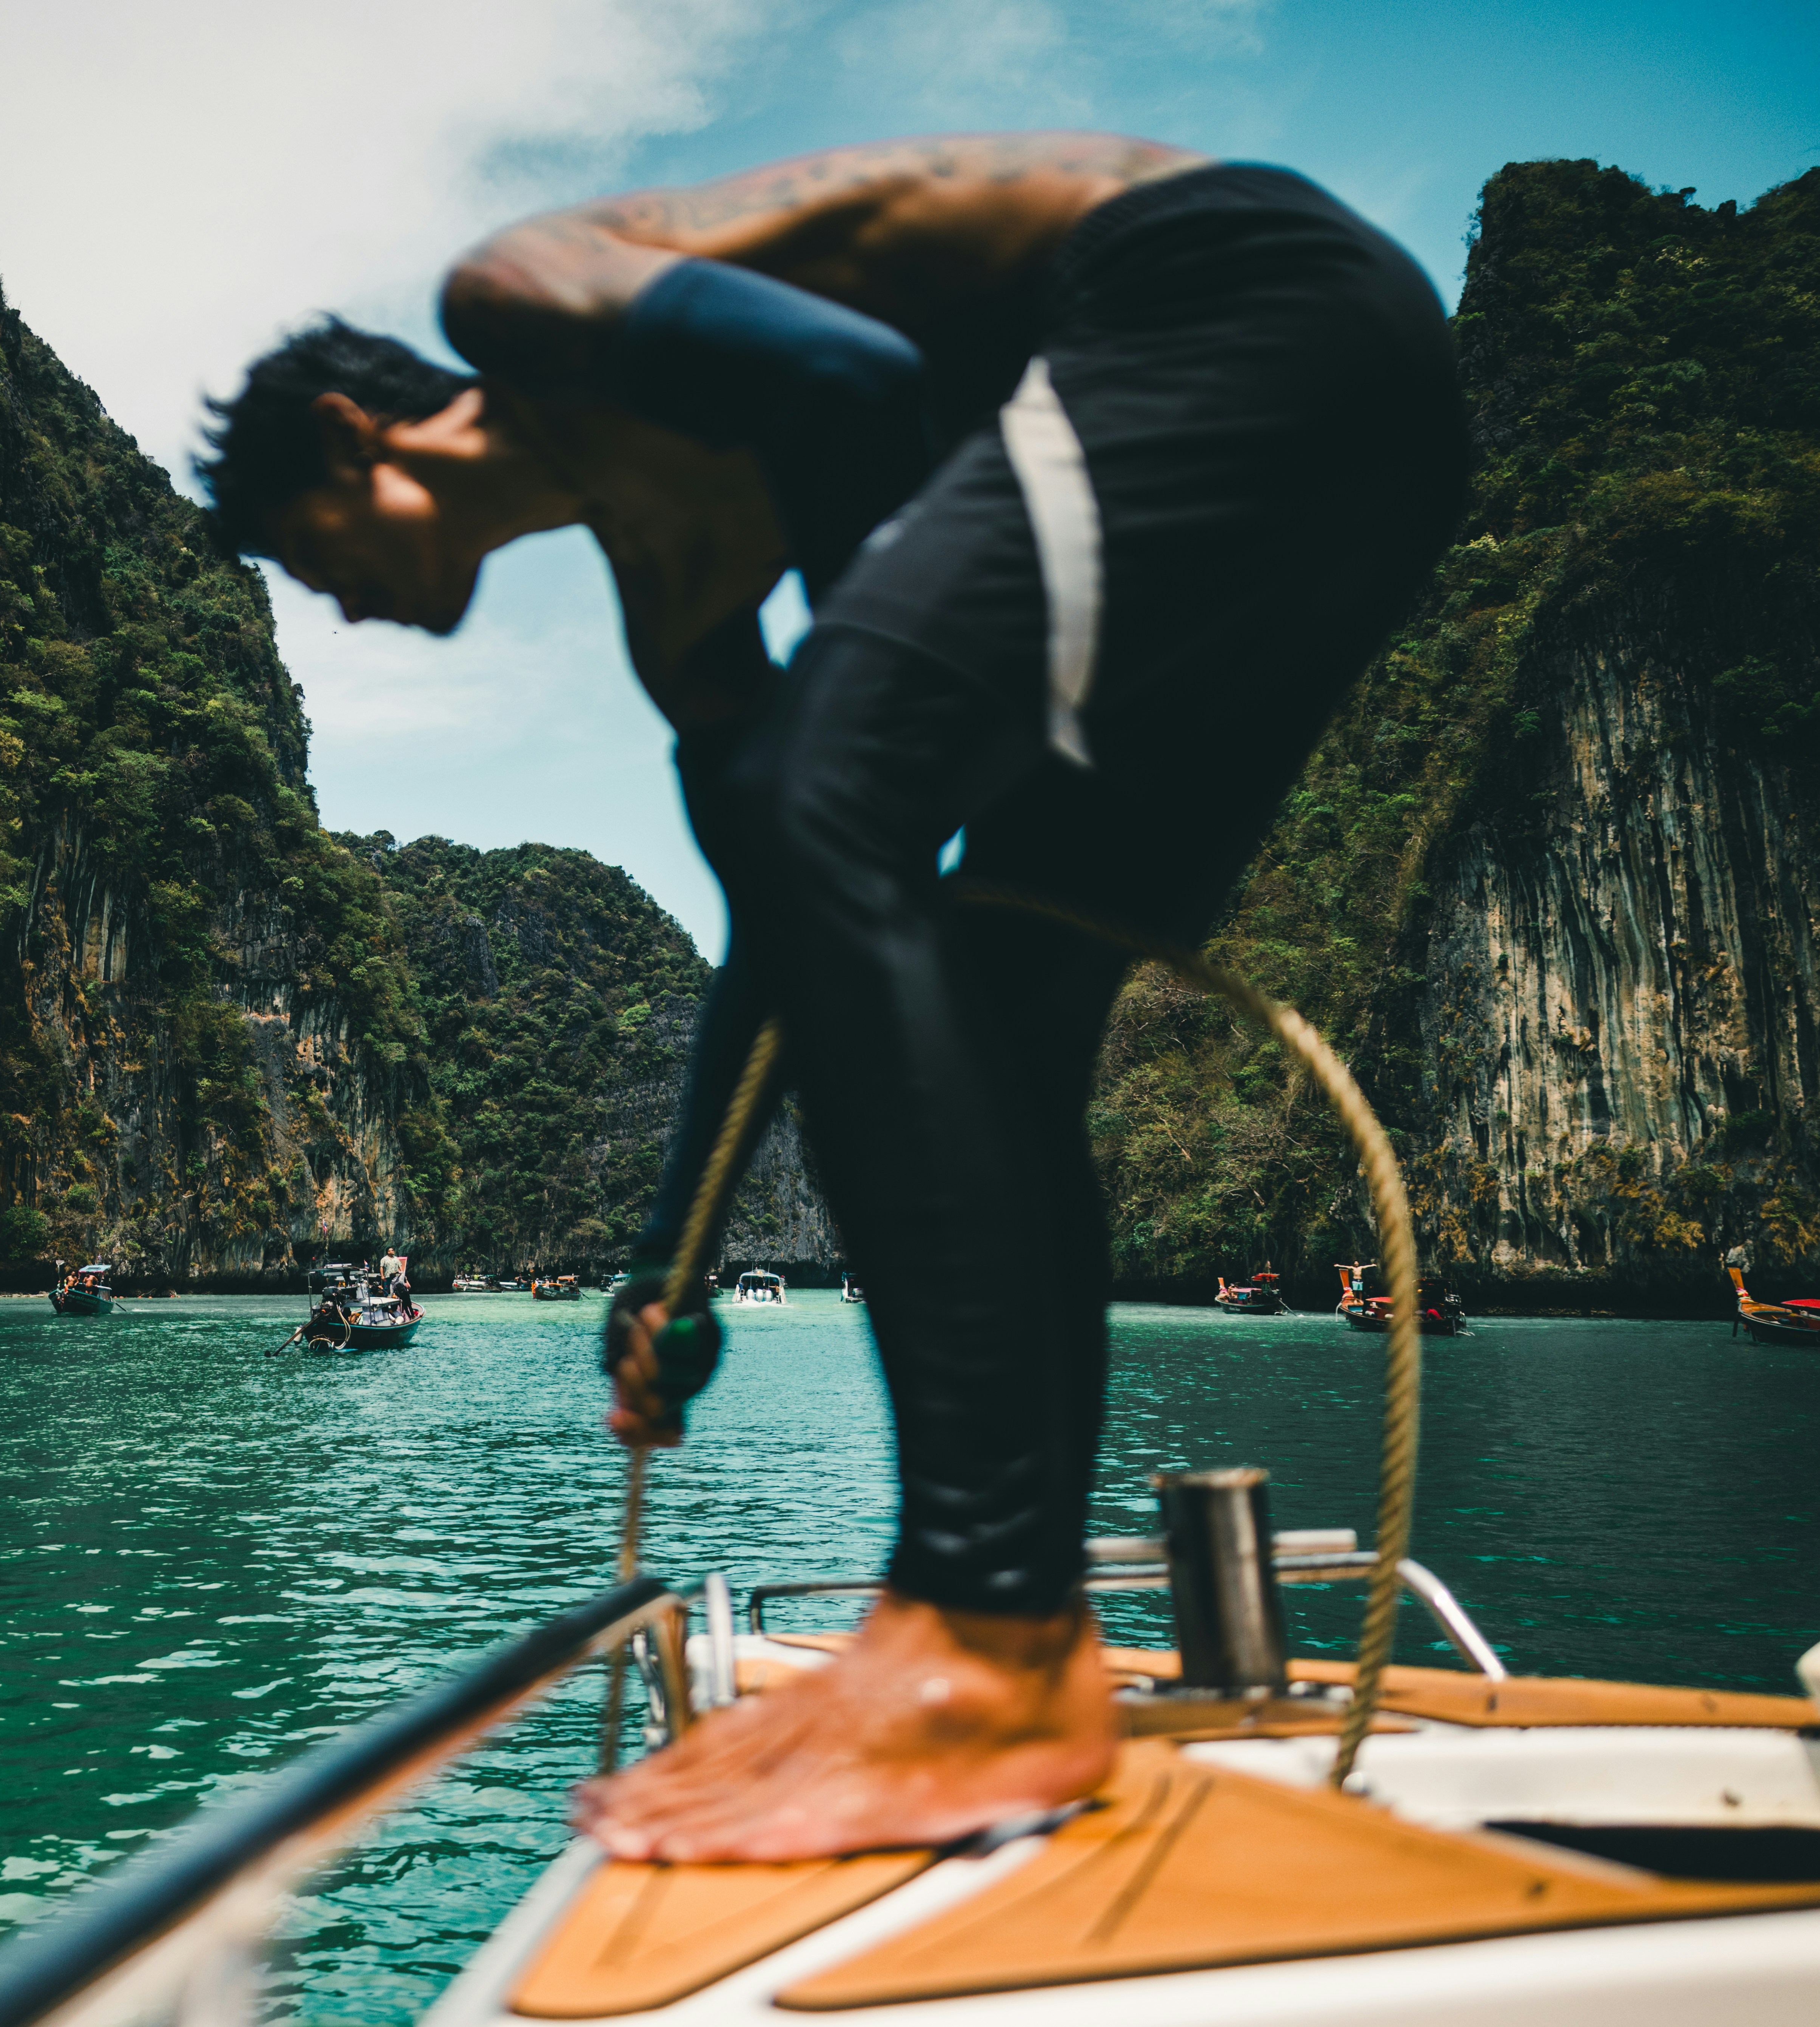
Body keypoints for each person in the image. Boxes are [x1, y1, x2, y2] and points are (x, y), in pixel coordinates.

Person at [197, 134, 1462, 1860]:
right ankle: (1026, 1640)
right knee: (1007, 1013)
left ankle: (971, 1627)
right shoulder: (678, 628)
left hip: (1224, 311)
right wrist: (667, 1263)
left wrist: (871, 728)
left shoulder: (518, 289)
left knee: (831, 803)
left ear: (352, 441)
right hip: (1329, 472)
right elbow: (789, 925)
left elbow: (852, 381)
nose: (330, 603)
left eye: (302, 547)